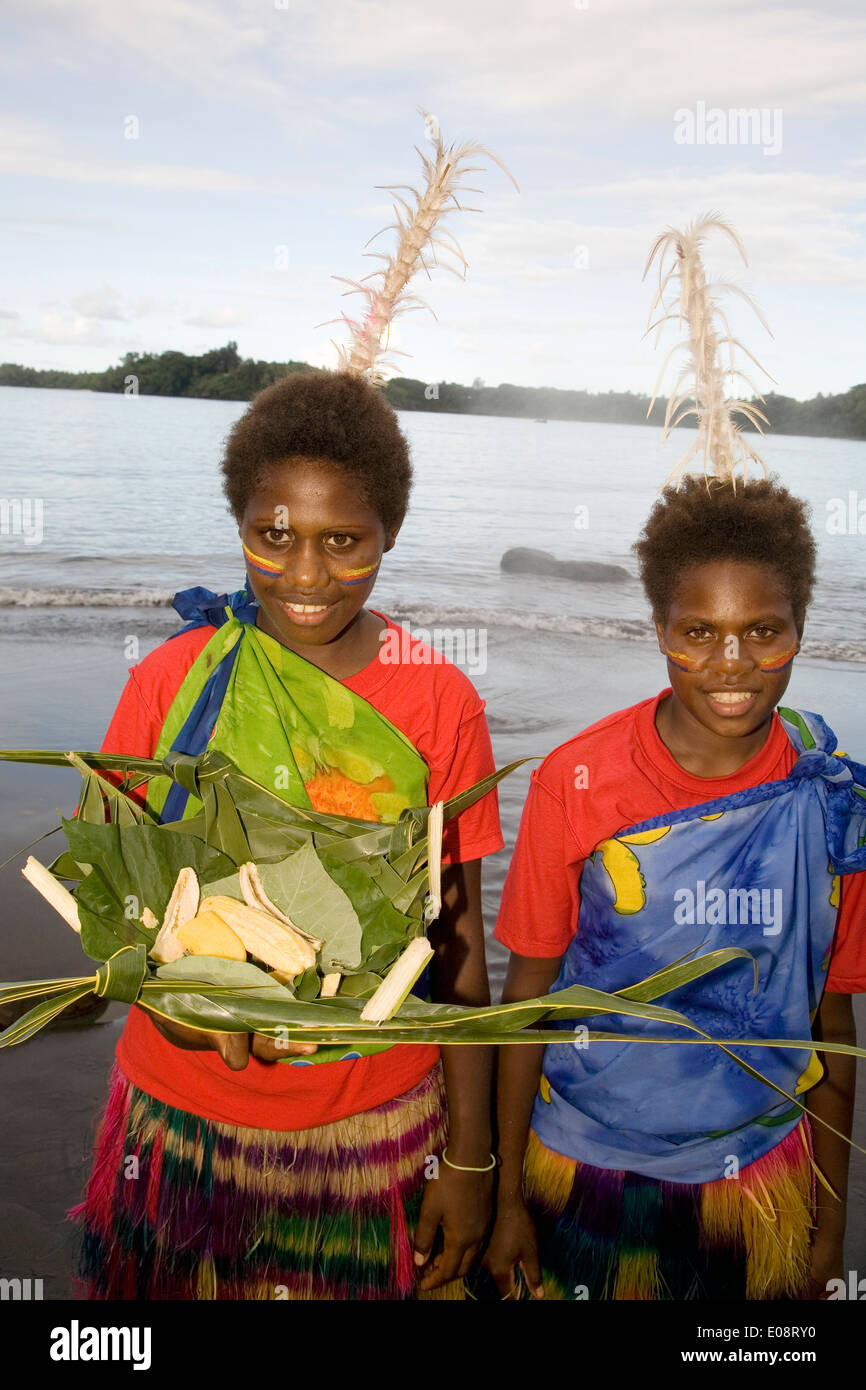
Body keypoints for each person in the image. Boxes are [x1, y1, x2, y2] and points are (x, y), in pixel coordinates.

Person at [71, 369, 504, 1300]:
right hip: (183, 1114)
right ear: (241, 526)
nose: (307, 576)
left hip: (372, 1119)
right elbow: (111, 897)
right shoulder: (174, 682)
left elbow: (457, 944)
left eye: (344, 541)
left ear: (388, 534)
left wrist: (471, 1162)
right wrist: (190, 1017)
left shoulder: (437, 701)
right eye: (275, 537)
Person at [485, 474, 866, 1301]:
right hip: (582, 1167)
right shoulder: (578, 781)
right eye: (700, 631)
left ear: (802, 631)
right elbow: (527, 1001)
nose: (732, 664)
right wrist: (505, 1195)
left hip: (758, 1178)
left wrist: (828, 1232)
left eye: (764, 631)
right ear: (659, 628)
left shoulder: (831, 802)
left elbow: (834, 1030)